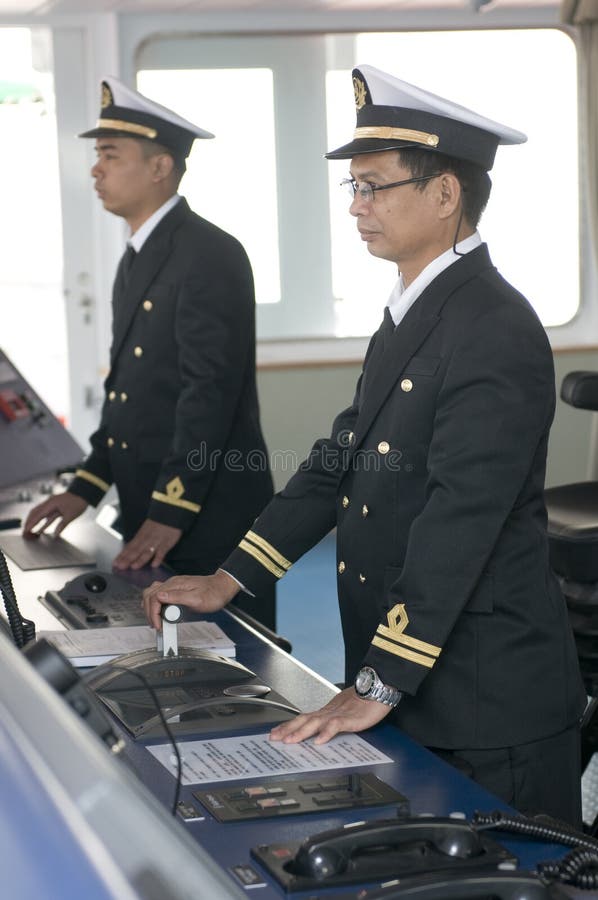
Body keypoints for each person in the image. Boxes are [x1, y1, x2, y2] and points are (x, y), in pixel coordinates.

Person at [142, 65, 586, 824]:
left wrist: (381, 680)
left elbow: (461, 514)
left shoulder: (493, 326)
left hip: (485, 702)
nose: (356, 205)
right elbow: (338, 462)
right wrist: (230, 577)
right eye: (353, 187)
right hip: (416, 683)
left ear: (445, 195)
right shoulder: (415, 311)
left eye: (374, 186)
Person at [24, 76, 275, 628]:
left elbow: (207, 395)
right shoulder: (140, 255)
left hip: (204, 513)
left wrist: (171, 511)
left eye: (110, 155)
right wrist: (87, 486)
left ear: (160, 166)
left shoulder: (209, 253)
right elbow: (128, 394)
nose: (96, 170)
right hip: (153, 505)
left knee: (229, 661)